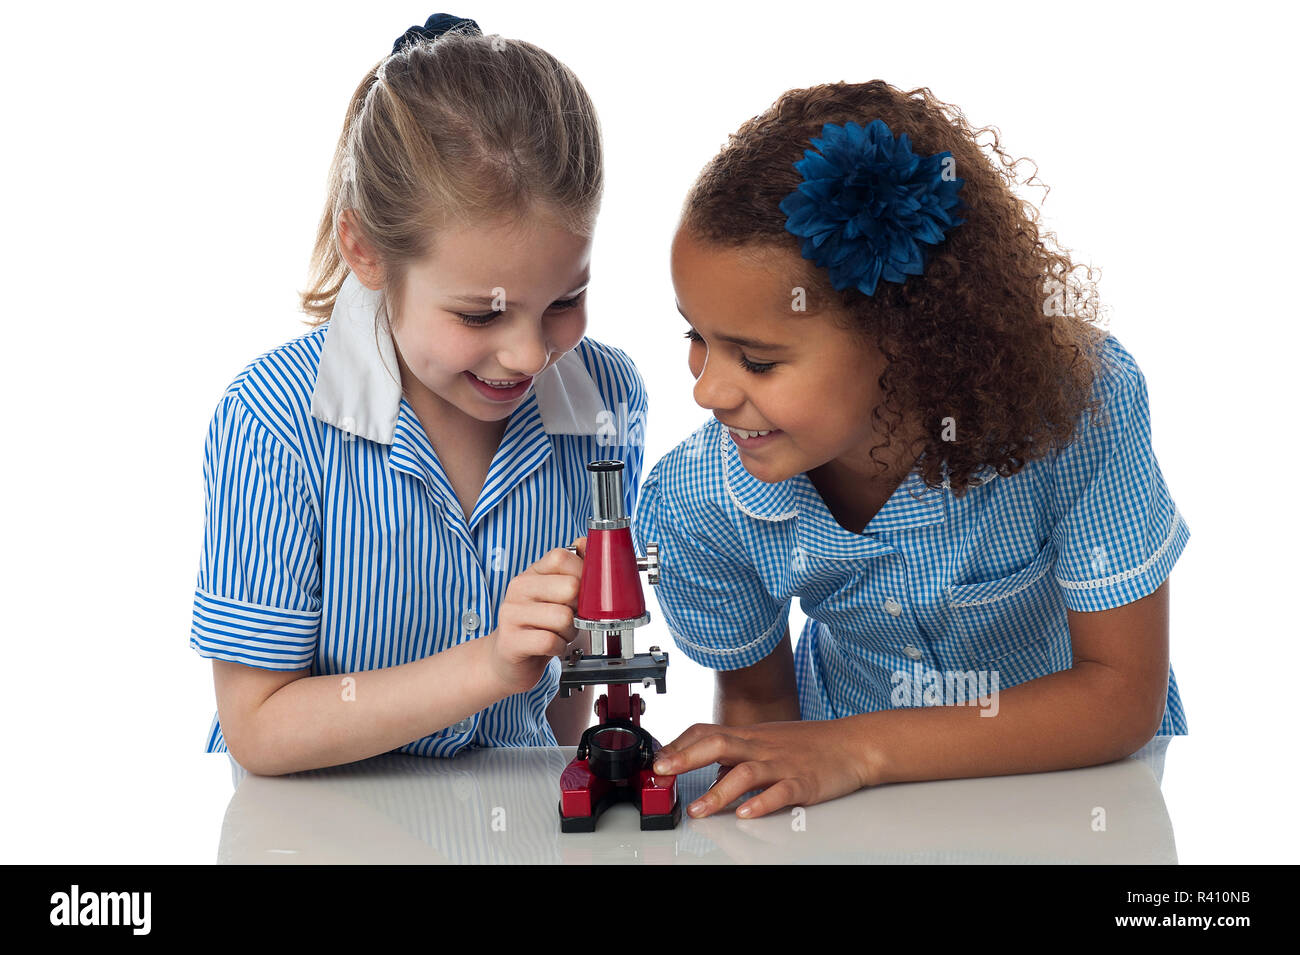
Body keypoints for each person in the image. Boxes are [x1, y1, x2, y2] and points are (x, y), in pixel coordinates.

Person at [634, 80, 1188, 818]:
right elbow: (762, 719)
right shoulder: (698, 500)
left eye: (757, 360)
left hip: (1076, 794)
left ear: (907, 337)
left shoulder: (1084, 407)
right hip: (852, 818)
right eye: (694, 337)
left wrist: (859, 749)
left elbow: (1120, 694)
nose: (707, 390)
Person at [190, 14, 646, 778]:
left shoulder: (606, 398)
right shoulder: (273, 418)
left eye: (565, 299)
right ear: (365, 249)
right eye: (481, 313)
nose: (531, 353)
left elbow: (568, 686)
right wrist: (490, 665)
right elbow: (259, 726)